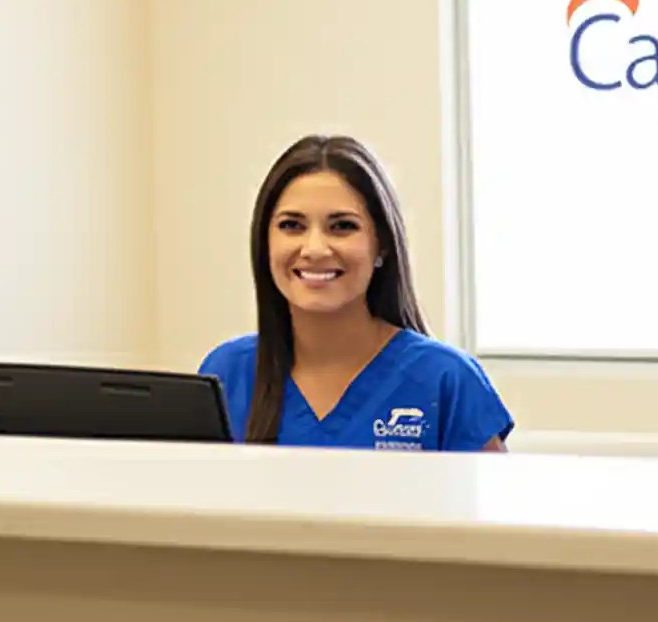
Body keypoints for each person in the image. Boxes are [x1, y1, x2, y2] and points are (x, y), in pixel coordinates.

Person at [199, 134, 513, 451]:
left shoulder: (447, 380)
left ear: (383, 245)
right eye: (292, 225)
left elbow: (494, 500)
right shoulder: (227, 373)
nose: (315, 248)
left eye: (342, 226)